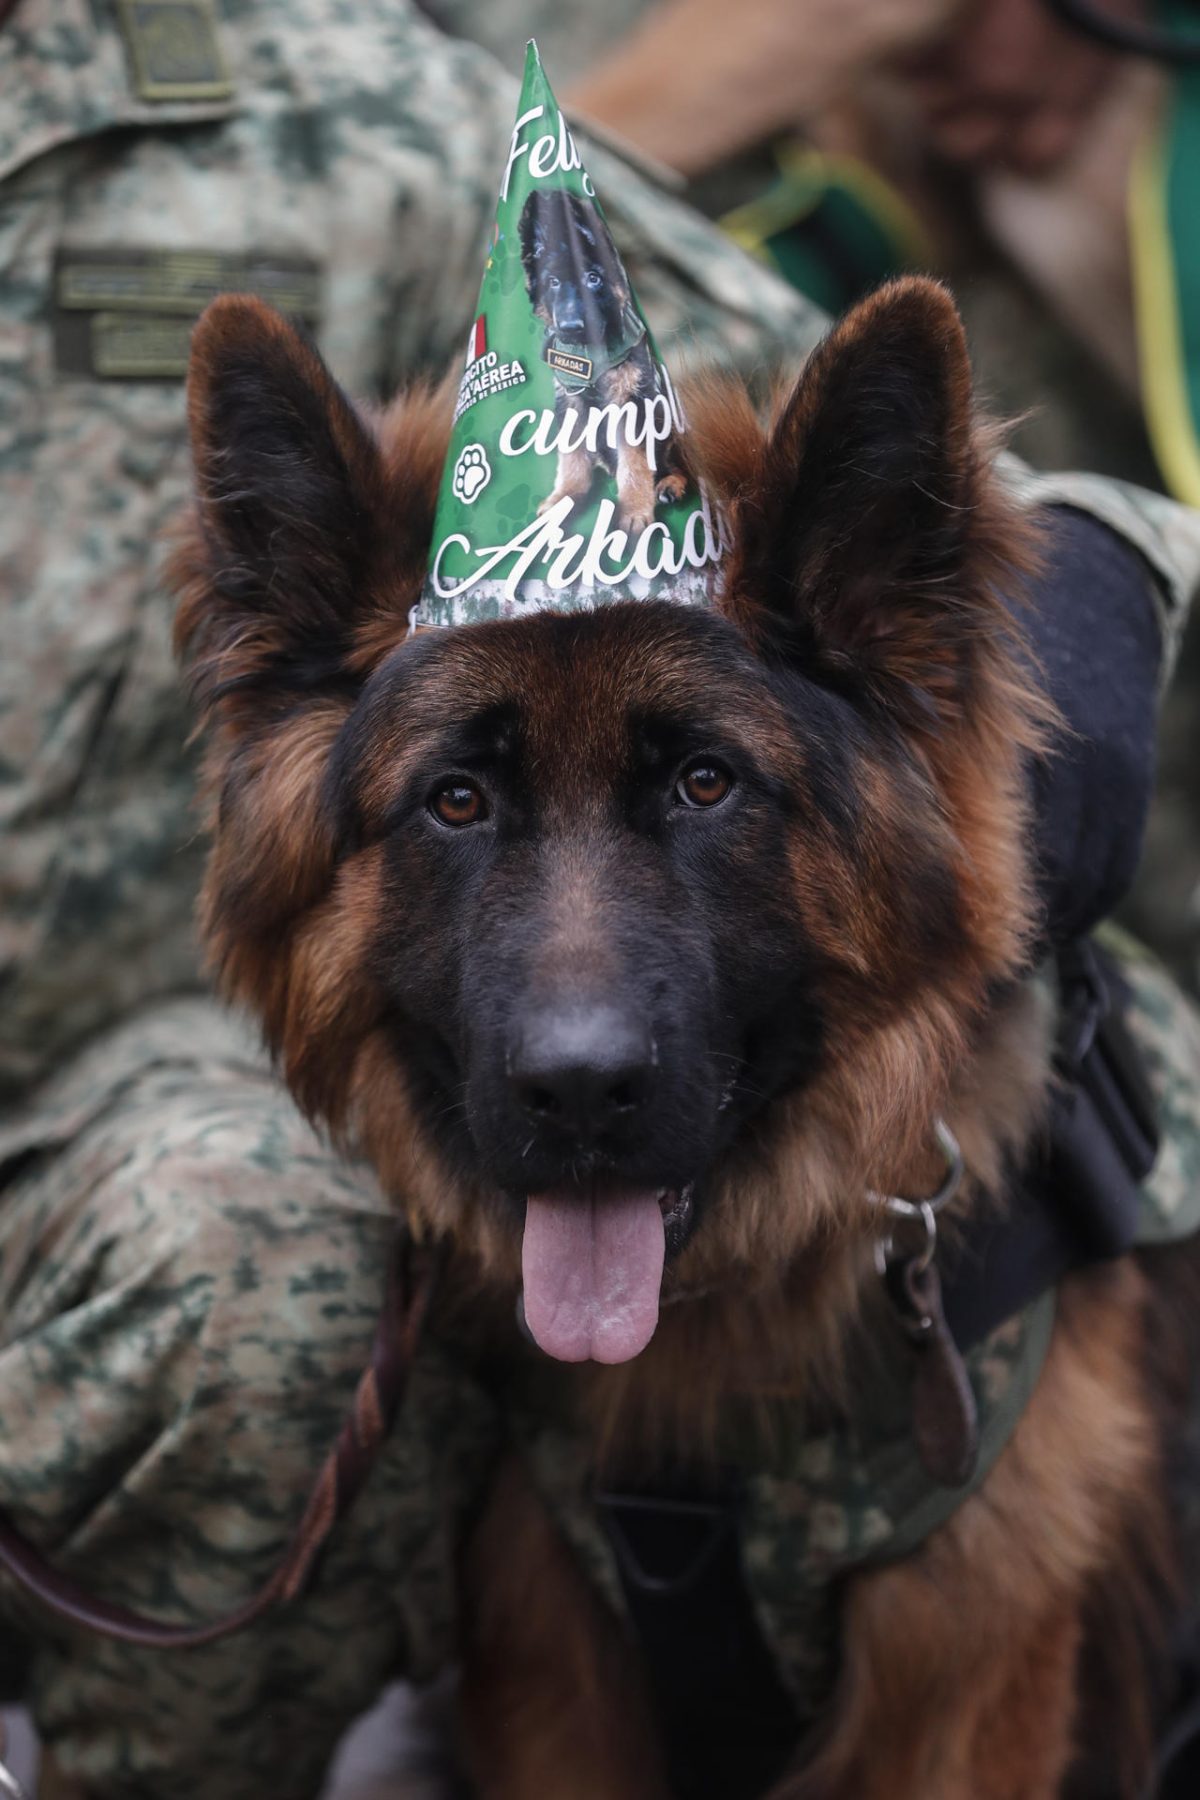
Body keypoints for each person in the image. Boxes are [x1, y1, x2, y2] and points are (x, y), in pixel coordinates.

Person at [3, 2, 1200, 1795]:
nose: (579, 1019)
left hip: (133, 1084)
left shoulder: (329, 105)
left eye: (699, 785)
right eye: (460, 797)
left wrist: (1081, 596)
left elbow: (924, 494)